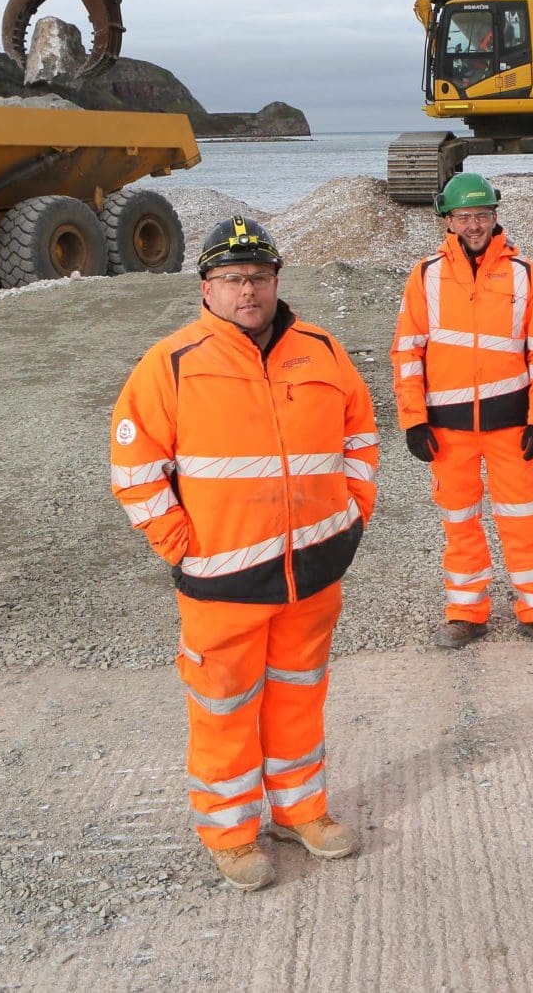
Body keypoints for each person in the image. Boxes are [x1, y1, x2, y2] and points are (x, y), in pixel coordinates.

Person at [110, 216, 380, 892]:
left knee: (298, 698)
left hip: (313, 572)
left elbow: (361, 435)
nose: (247, 290)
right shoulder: (171, 362)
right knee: (224, 708)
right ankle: (229, 834)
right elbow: (134, 462)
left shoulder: (323, 350)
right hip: (222, 580)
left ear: (276, 280)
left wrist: (351, 515)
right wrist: (179, 541)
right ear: (207, 286)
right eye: (232, 278)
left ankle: (301, 811)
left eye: (258, 276)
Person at [392, 172, 533, 651]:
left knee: (524, 518)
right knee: (459, 522)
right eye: (464, 215)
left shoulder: (524, 274)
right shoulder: (425, 275)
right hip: (448, 430)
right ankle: (466, 613)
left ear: (496, 217)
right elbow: (407, 351)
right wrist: (413, 420)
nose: (474, 224)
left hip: (510, 425)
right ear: (447, 220)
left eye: (482, 214)